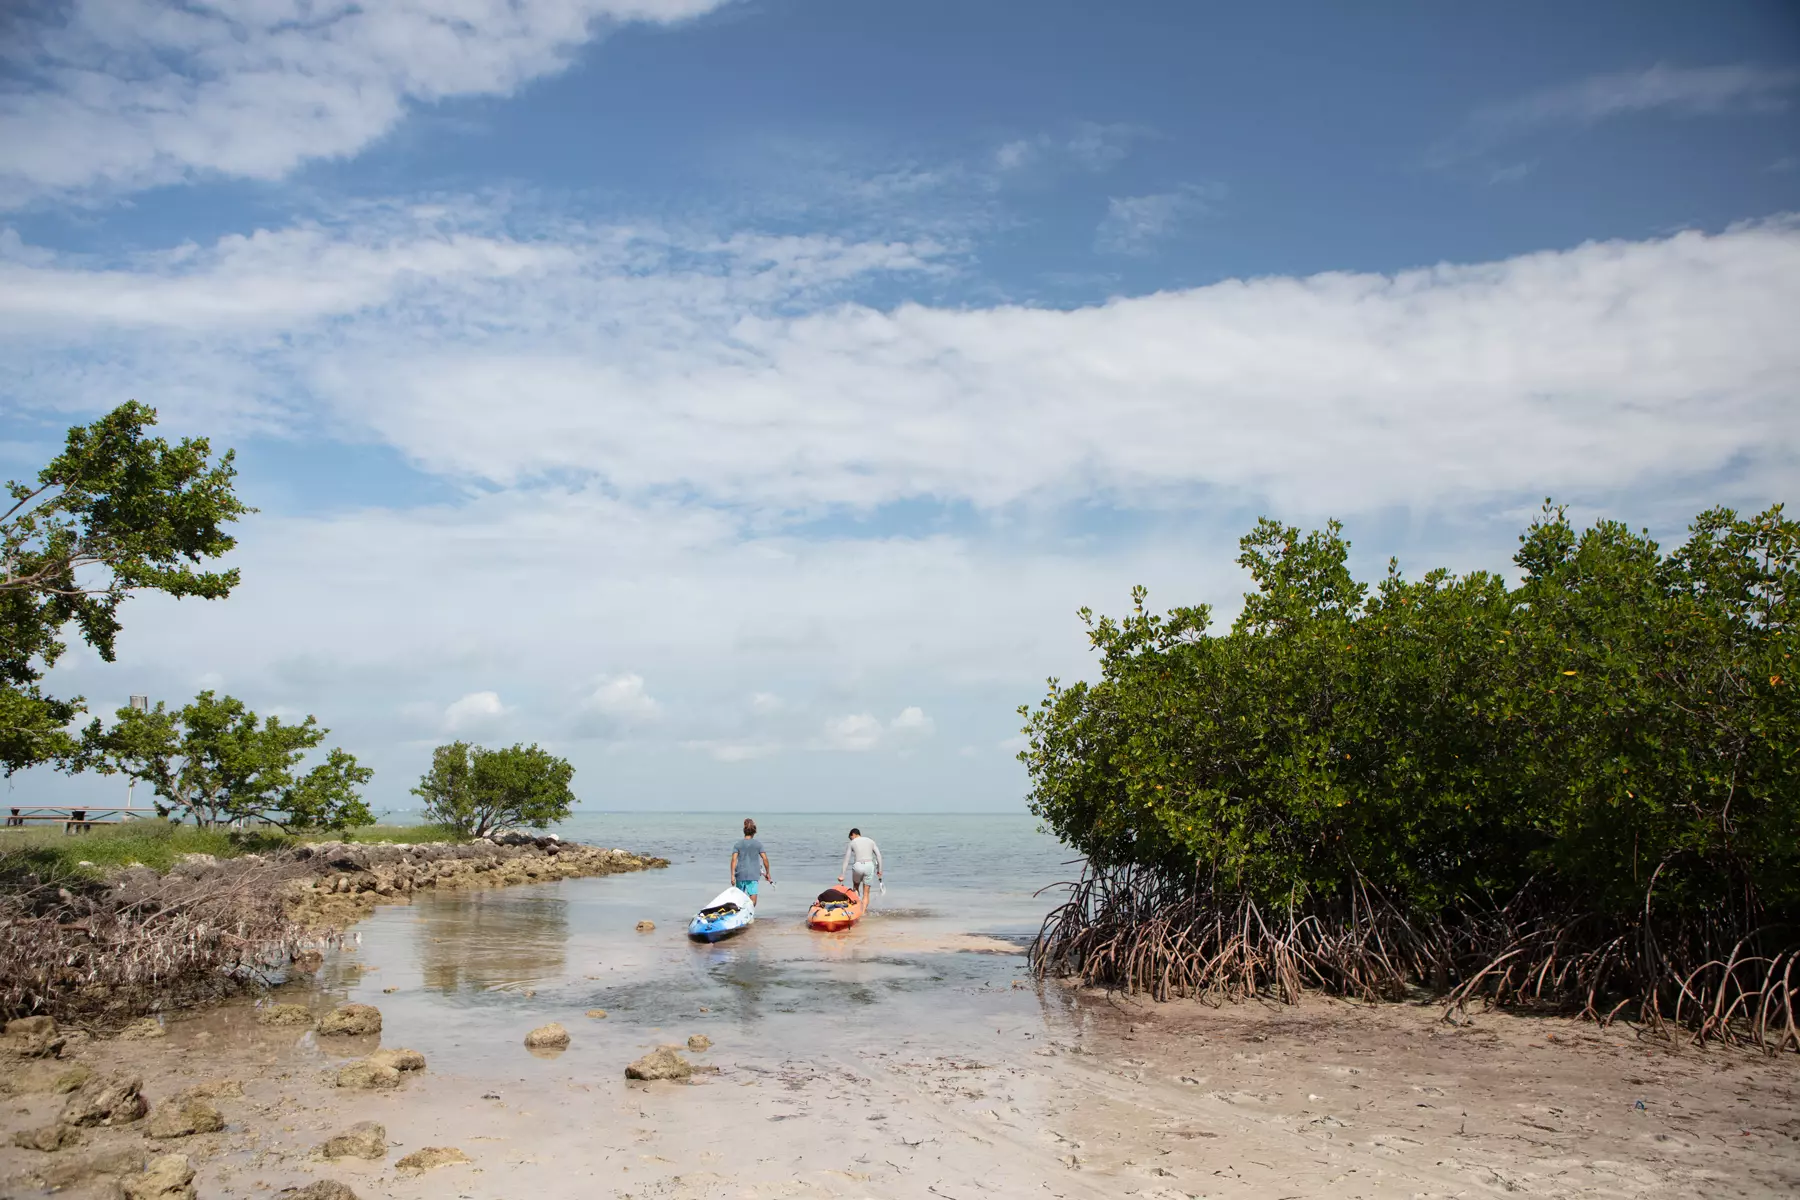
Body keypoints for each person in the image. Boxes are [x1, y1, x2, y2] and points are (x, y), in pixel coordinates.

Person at [730, 818, 772, 906]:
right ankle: (748, 913)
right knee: (753, 901)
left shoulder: (738, 844)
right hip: (753, 875)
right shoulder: (758, 844)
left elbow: (734, 860)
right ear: (754, 831)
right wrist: (768, 873)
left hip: (740, 875)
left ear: (744, 831)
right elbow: (765, 859)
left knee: (739, 899)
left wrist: (732, 875)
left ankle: (740, 914)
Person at [837, 827, 883, 904]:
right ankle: (863, 912)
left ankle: (856, 907)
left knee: (855, 887)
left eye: (850, 838)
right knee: (866, 893)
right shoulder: (871, 841)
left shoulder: (852, 843)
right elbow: (879, 856)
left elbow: (846, 859)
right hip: (869, 866)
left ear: (853, 834)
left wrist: (842, 875)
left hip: (858, 866)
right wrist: (879, 870)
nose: (851, 840)